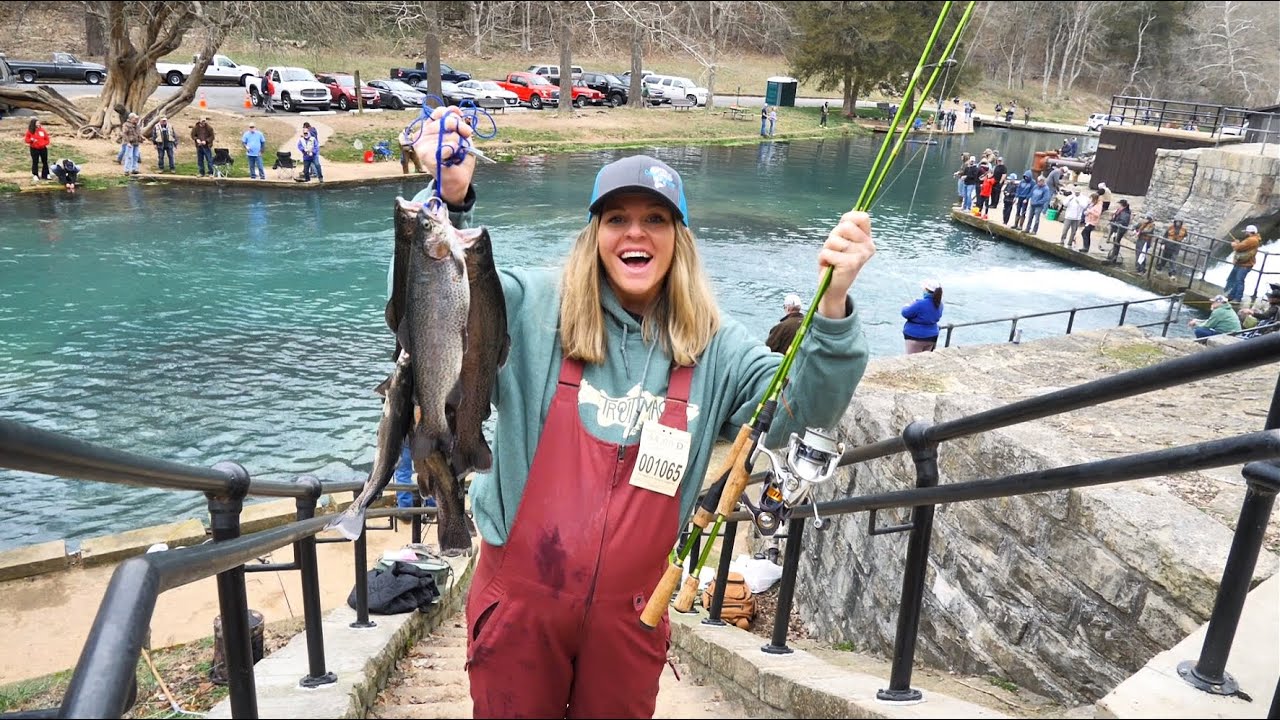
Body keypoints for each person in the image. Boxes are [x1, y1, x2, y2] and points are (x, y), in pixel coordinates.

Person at [393, 107, 873, 718]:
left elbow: (798, 413)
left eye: (655, 219)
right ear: (593, 235)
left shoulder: (720, 349)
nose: (635, 233)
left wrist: (833, 307)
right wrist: (443, 201)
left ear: (680, 238)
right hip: (518, 607)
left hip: (633, 617)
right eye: (616, 218)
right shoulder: (531, 305)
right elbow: (431, 316)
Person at [901, 279, 943, 354]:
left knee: (912, 360)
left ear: (927, 290)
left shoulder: (919, 304)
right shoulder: (939, 304)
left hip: (915, 337)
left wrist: (907, 306)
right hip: (932, 336)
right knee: (924, 359)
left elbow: (905, 313)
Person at [1225, 224, 1260, 303]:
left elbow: (1238, 248)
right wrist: (1239, 244)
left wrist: (1235, 245)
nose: (1245, 233)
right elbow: (1243, 247)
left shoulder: (1252, 240)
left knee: (1239, 281)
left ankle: (1238, 298)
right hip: (1243, 264)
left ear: (1250, 232)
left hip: (1245, 264)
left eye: (1246, 232)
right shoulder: (1253, 239)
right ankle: (1231, 296)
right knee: (1237, 280)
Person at [24, 118, 51, 183]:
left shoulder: (42, 130)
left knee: (45, 161)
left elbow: (47, 139)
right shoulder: (30, 131)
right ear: (34, 124)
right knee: (35, 161)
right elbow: (26, 140)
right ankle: (35, 174)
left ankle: (46, 174)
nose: (39, 124)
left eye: (39, 123)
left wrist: (43, 143)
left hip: (43, 148)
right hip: (34, 148)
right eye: (37, 123)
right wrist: (31, 140)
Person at [1105, 199, 1132, 264]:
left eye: (1119, 204)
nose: (1118, 205)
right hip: (1116, 228)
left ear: (1122, 205)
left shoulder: (1125, 212)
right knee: (1115, 241)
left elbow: (1123, 222)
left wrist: (1115, 222)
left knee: (1117, 241)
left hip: (1120, 229)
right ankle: (1113, 255)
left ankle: (1114, 256)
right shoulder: (1120, 210)